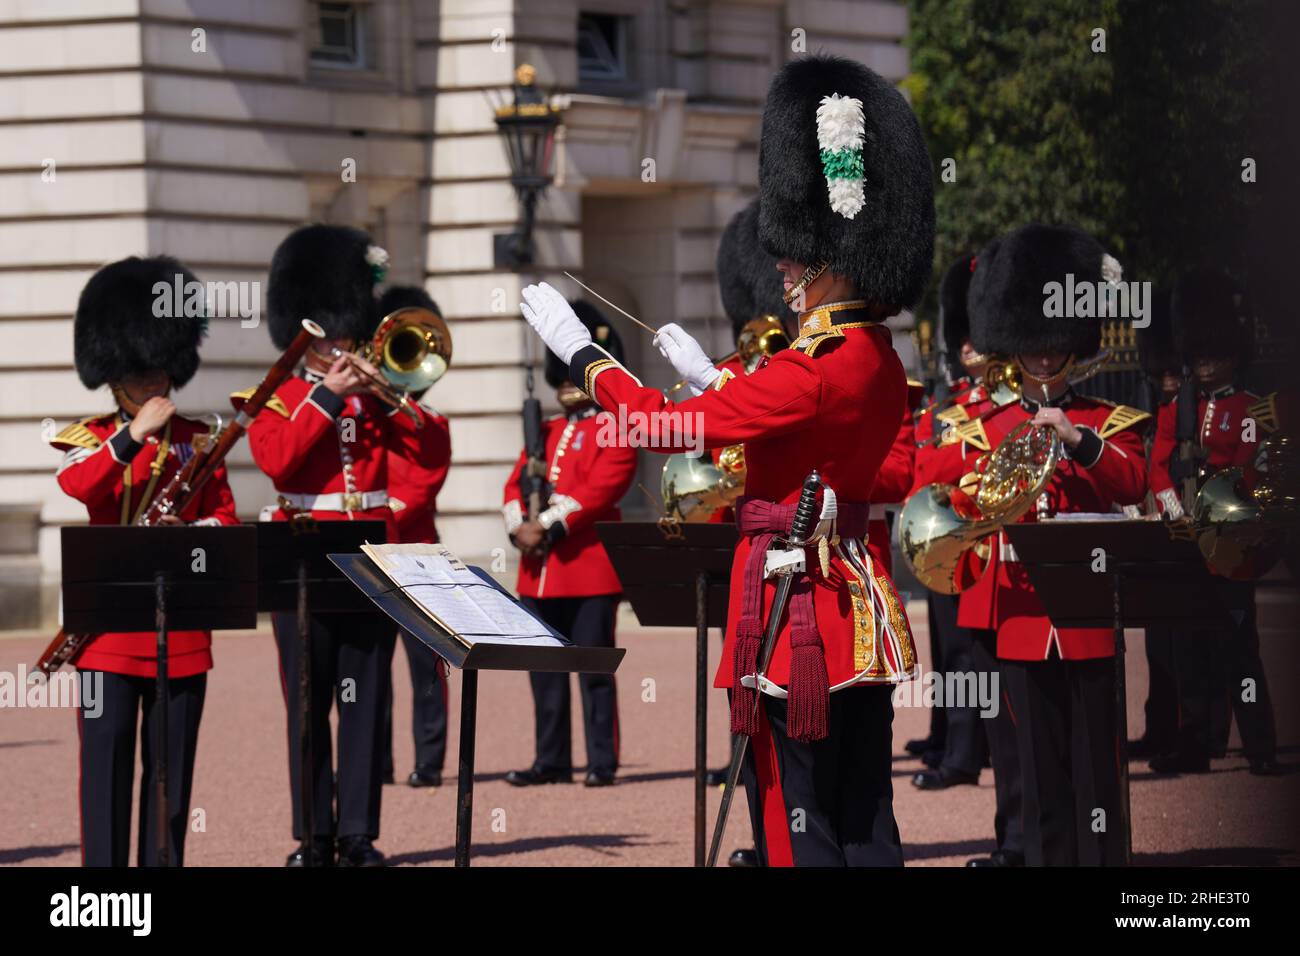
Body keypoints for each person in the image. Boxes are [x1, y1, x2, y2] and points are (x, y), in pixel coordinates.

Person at [520, 53, 934, 865]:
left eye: (795, 255)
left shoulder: (811, 368)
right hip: (861, 600)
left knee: (793, 808)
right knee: (863, 812)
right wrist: (717, 381)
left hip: (796, 606)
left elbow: (663, 428)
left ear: (825, 256)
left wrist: (585, 359)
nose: (782, 267)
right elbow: (796, 428)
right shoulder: (874, 357)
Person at [235, 224, 441, 866]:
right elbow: (278, 460)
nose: (347, 346)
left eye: (352, 333)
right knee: (307, 700)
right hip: (301, 552)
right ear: (311, 332)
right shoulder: (276, 395)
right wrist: (328, 395)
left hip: (368, 555)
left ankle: (357, 833)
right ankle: (311, 836)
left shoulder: (380, 402)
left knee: (365, 694)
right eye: (337, 335)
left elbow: (433, 454)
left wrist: (389, 396)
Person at [955, 223, 1151, 866]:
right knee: (1035, 773)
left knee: (1097, 766)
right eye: (1034, 347)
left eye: (1053, 345)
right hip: (1018, 616)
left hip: (1087, 619)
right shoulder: (995, 426)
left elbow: (1132, 481)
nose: (1044, 358)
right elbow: (960, 507)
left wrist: (1075, 439)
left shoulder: (1100, 418)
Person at [51, 255, 239, 866]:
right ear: (115, 376)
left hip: (180, 634)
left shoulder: (201, 441)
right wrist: (133, 436)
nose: (154, 382)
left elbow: (227, 523)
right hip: (105, 636)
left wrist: (190, 531)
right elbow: (81, 487)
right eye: (140, 373)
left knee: (170, 786)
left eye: (160, 369)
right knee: (103, 779)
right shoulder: (91, 438)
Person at [908, 250, 1027, 868]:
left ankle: (965, 754)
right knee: (957, 658)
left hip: (1004, 566)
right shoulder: (954, 412)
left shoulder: (1012, 412)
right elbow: (926, 472)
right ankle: (959, 752)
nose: (970, 354)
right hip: (955, 550)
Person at [1147, 269, 1281, 776]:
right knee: (1191, 650)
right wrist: (1172, 505)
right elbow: (1157, 465)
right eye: (1199, 356)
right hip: (1187, 542)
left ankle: (1259, 745)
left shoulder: (1248, 409)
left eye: (1214, 356)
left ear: (1232, 355)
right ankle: (1198, 742)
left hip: (1229, 543)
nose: (1204, 366)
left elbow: (1251, 466)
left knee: (1239, 649)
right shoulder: (1177, 408)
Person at [502, 301, 637, 787]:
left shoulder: (614, 426)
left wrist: (549, 525)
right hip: (538, 570)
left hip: (588, 569)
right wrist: (519, 521)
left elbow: (602, 490)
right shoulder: (545, 430)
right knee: (544, 670)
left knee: (594, 669)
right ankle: (551, 759)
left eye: (569, 375)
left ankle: (602, 760)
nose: (562, 385)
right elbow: (516, 481)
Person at [374, 285, 453, 789]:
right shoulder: (362, 420)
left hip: (415, 555)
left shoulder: (430, 423)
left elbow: (423, 486)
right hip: (369, 551)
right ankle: (375, 757)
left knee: (426, 666)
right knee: (370, 667)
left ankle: (428, 759)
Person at [1129, 288, 1181, 760]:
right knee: (1159, 641)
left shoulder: (1194, 406)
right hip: (1166, 530)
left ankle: (1198, 731)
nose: (1168, 376)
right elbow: (1156, 468)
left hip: (1201, 532)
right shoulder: (1158, 408)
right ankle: (1164, 725)